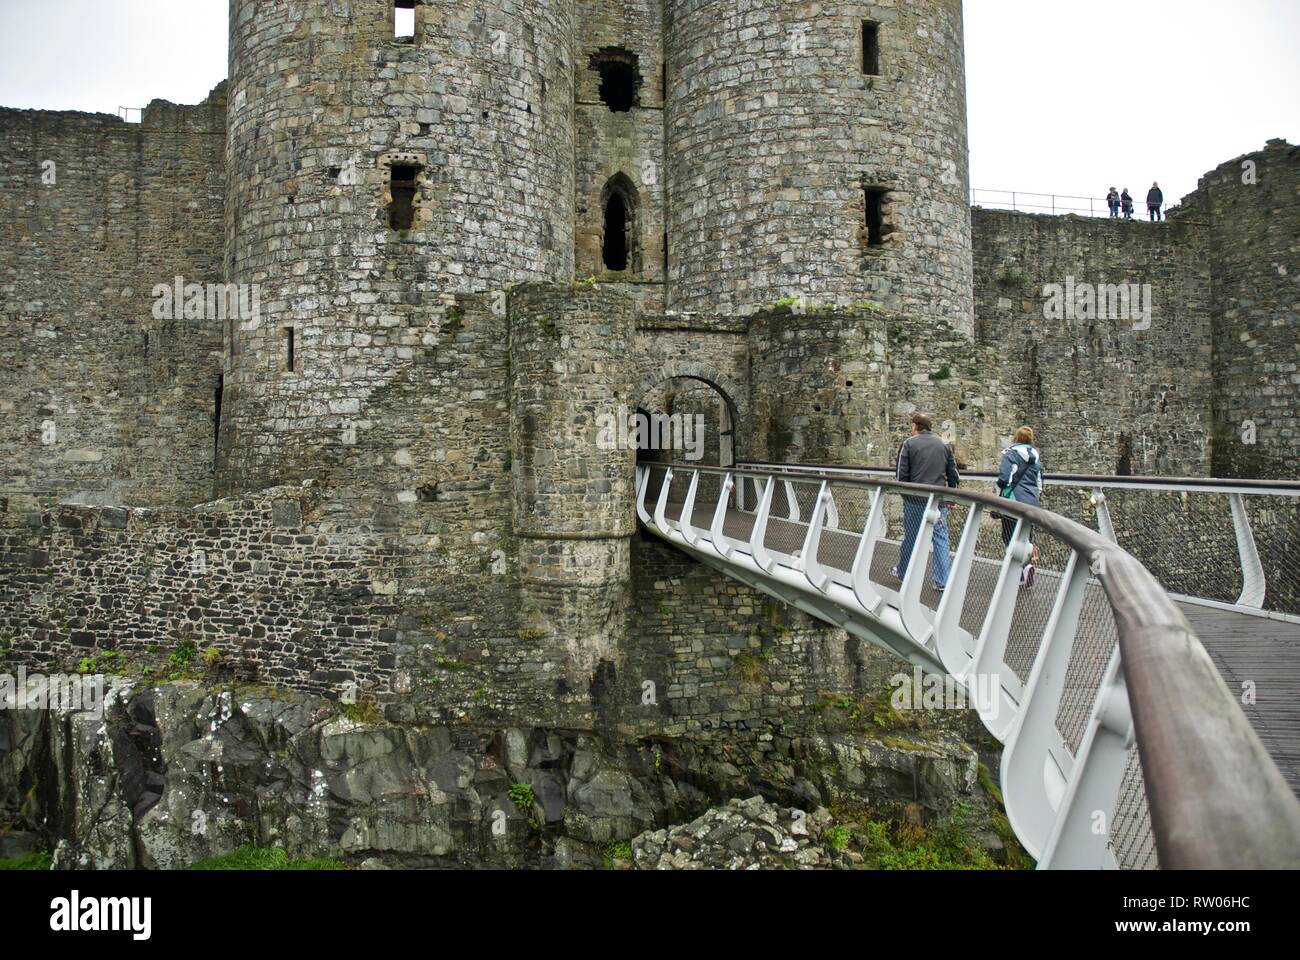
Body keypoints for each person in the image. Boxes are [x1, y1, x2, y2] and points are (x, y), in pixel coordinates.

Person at [892, 413, 960, 591]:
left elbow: (901, 475)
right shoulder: (944, 445)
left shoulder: (909, 444)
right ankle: (942, 580)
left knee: (911, 538)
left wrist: (905, 494)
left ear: (915, 426)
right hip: (939, 500)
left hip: (915, 499)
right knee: (940, 539)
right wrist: (951, 496)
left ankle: (904, 573)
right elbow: (953, 473)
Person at [996, 426, 1044, 588]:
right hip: (1031, 502)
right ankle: (1027, 566)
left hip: (1013, 501)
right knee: (1026, 537)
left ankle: (1018, 570)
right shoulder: (1036, 458)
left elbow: (1004, 479)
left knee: (1009, 535)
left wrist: (1001, 491)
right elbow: (1039, 484)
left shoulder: (1010, 455)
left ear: (1016, 438)